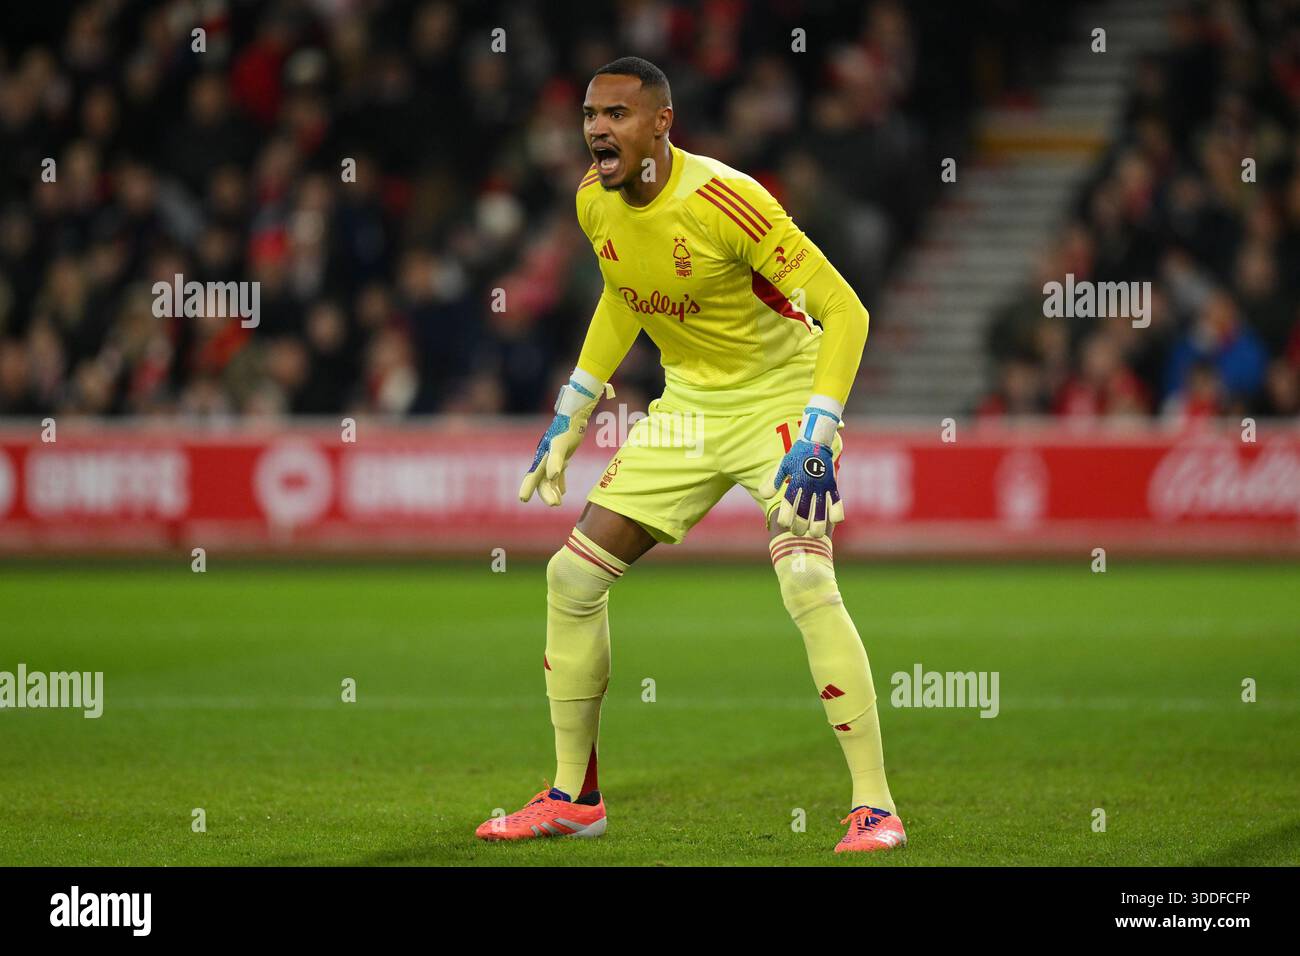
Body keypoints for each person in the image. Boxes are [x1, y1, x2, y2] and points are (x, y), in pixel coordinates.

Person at [475, 57, 903, 853]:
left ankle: (874, 807)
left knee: (807, 575)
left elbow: (845, 310)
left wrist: (817, 431)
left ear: (661, 123)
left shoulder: (725, 201)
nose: (598, 129)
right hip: (690, 409)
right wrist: (572, 411)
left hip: (781, 398)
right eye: (590, 115)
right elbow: (622, 296)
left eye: (617, 115)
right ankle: (576, 796)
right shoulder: (592, 206)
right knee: (570, 576)